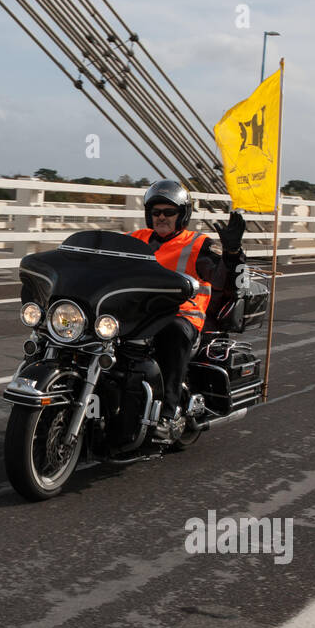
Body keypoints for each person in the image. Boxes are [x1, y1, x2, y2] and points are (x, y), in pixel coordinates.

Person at [130, 179, 245, 442]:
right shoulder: (136, 238)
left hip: (180, 316)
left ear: (181, 215)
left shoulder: (199, 245)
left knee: (172, 333)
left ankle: (167, 416)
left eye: (169, 212)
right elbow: (102, 256)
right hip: (137, 313)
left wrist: (232, 252)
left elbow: (225, 282)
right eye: (156, 211)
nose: (161, 217)